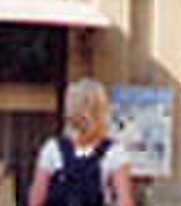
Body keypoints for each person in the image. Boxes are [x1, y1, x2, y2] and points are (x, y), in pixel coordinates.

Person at [27, 78, 134, 206]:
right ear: (102, 109)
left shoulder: (52, 148)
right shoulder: (115, 152)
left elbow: (36, 199)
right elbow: (125, 201)